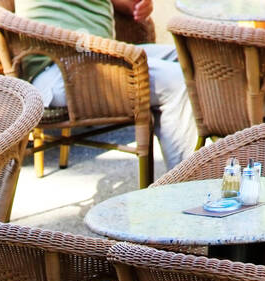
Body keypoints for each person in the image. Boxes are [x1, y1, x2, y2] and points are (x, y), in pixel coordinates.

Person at [13, 0, 196, 171]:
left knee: (195, 60)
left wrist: (135, 5)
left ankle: (212, 168)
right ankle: (188, 187)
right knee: (175, 81)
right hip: (57, 67)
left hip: (96, 54)